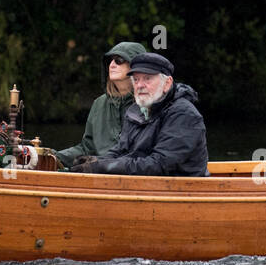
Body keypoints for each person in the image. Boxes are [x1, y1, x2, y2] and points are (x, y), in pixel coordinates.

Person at [69, 52, 208, 176]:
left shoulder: (184, 115)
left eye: (147, 78)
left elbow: (158, 164)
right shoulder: (135, 110)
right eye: (136, 79)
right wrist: (93, 161)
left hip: (179, 193)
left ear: (167, 83)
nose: (140, 85)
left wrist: (101, 167)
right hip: (145, 188)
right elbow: (120, 151)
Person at [55, 41, 146, 171]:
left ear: (136, 67)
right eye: (110, 60)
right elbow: (86, 148)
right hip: (98, 176)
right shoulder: (99, 103)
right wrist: (50, 155)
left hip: (131, 176)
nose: (112, 65)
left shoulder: (149, 104)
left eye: (119, 60)